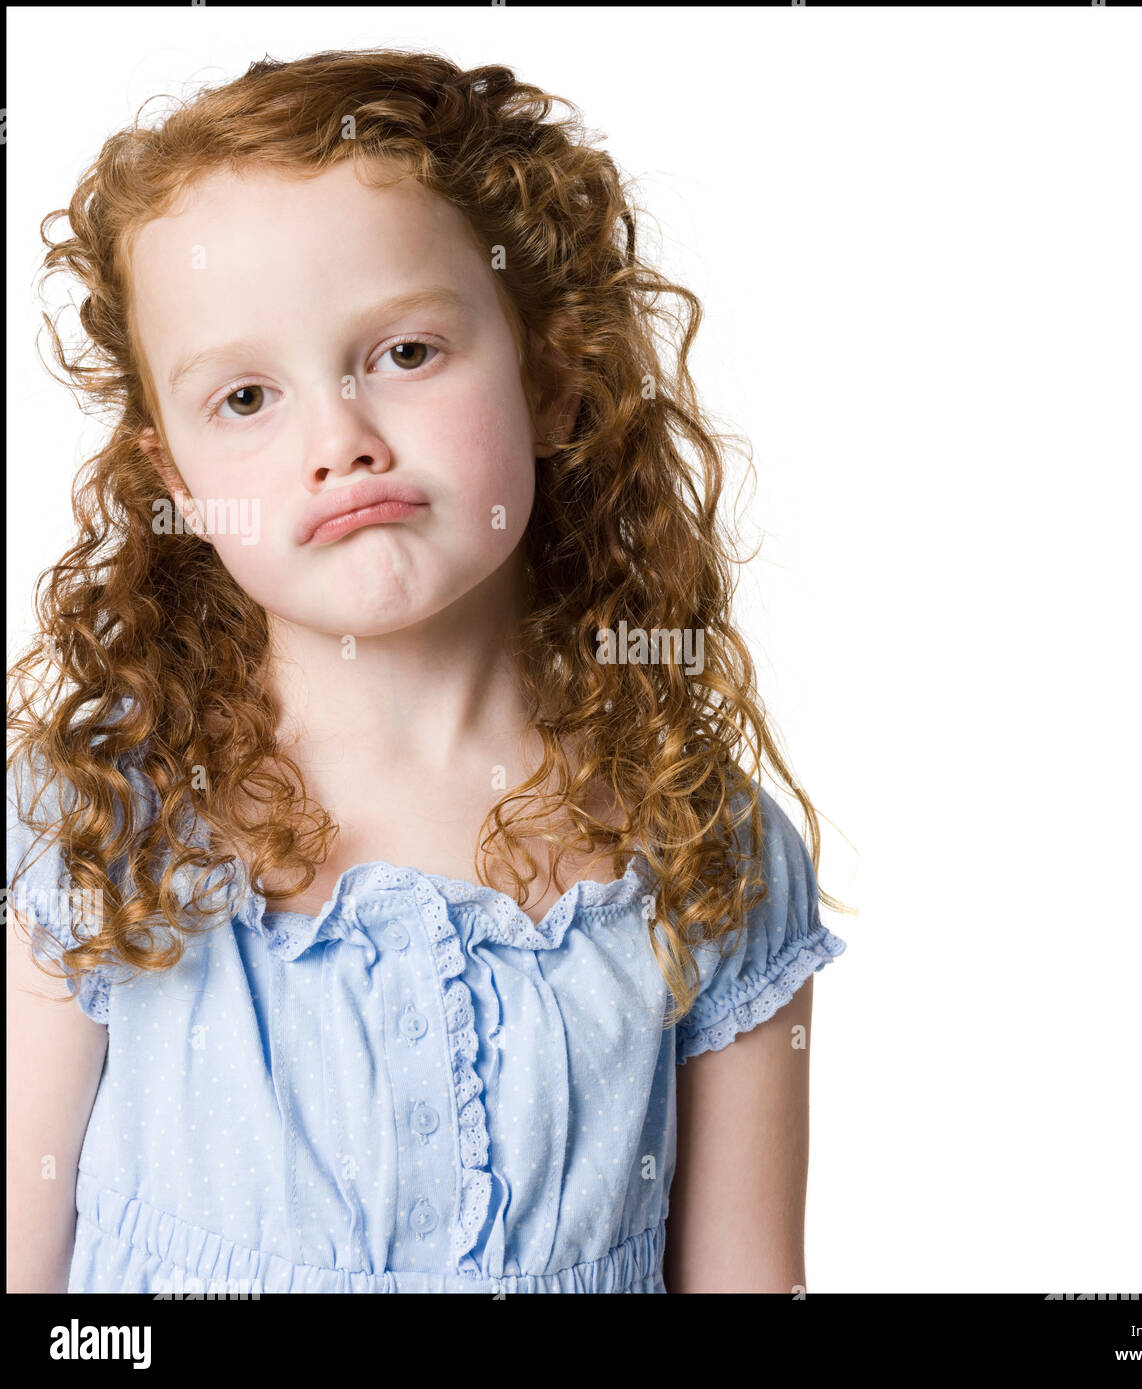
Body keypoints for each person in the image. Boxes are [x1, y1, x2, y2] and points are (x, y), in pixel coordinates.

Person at [6, 48, 848, 1295]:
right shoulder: (101, 819)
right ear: (175, 479)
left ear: (550, 375)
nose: (338, 442)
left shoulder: (705, 850)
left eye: (404, 353)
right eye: (245, 396)